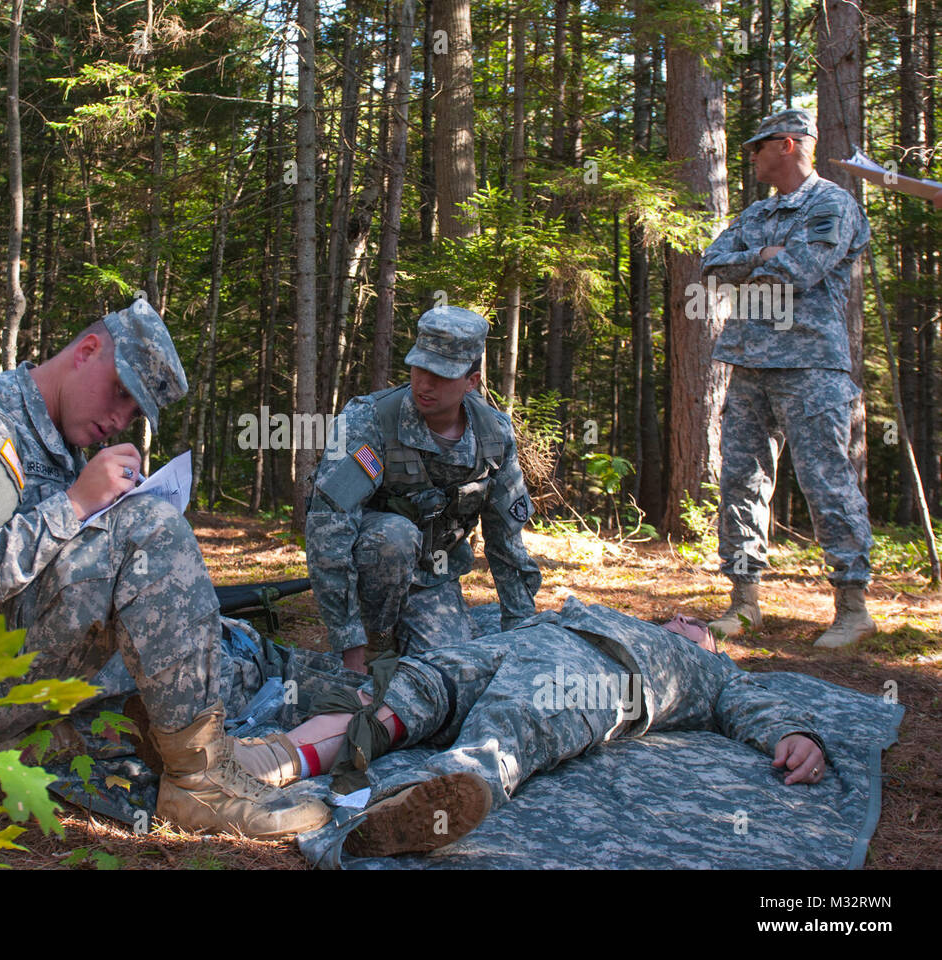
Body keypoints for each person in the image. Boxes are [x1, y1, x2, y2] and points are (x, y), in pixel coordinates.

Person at [0, 298, 329, 839]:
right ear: (88, 350)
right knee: (148, 530)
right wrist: (76, 504)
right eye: (121, 391)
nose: (119, 419)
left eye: (134, 411)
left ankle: (372, 694)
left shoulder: (55, 445)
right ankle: (200, 785)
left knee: (207, 653)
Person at [236, 598, 829, 858]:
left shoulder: (711, 670)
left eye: (692, 622)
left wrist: (794, 735)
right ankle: (270, 760)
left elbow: (755, 705)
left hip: (596, 674)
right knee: (403, 691)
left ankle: (404, 815)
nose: (678, 619)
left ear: (710, 643)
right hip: (517, 643)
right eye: (675, 615)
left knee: (507, 732)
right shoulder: (604, 611)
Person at [700, 108, 876, 648]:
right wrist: (763, 253)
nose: (749, 156)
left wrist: (756, 261)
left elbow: (799, 271)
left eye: (757, 147)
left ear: (787, 144)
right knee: (741, 481)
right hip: (750, 362)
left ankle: (852, 608)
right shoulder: (757, 215)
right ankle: (744, 602)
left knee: (827, 480)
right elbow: (710, 265)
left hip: (811, 366)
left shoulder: (831, 205)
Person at [305, 306, 541, 674]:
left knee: (450, 673)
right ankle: (377, 641)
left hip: (432, 580)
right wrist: (349, 640)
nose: (424, 384)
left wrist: (521, 629)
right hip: (372, 577)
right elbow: (328, 531)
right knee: (394, 534)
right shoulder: (369, 421)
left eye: (441, 375)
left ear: (471, 381)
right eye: (419, 368)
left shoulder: (493, 436)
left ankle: (411, 637)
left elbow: (506, 542)